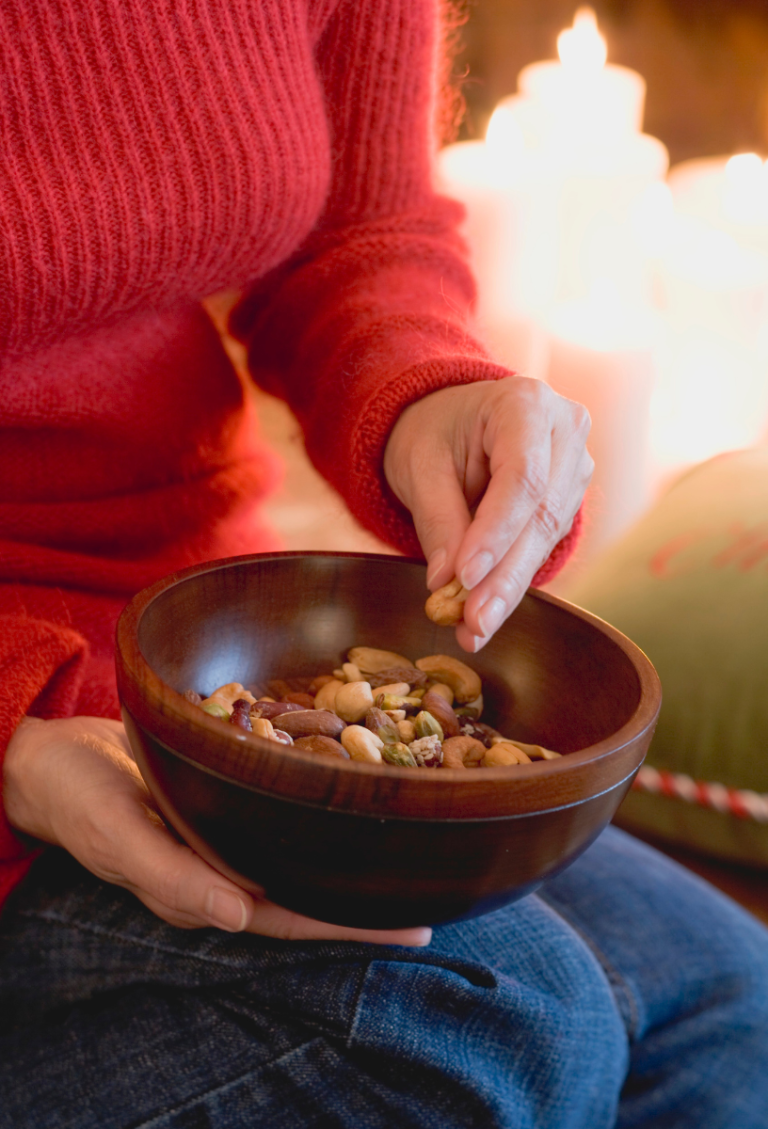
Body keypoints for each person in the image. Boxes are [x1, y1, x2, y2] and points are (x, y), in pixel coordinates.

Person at [0, 1, 766, 1126]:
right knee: (504, 1025)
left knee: (733, 1006)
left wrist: (426, 394)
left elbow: (357, 227)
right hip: (26, 722)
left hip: (184, 638)